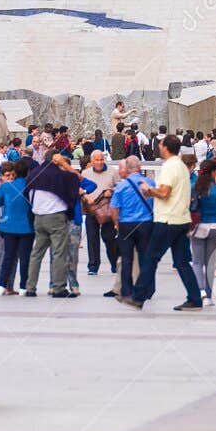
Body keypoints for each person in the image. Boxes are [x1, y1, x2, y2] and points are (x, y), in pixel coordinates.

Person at [129, 134, 204, 312]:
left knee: (150, 257)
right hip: (181, 219)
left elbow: (164, 193)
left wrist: (148, 190)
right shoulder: (181, 166)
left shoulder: (169, 166)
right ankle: (195, 299)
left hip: (167, 220)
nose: (159, 147)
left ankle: (138, 296)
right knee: (182, 262)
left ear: (165, 147)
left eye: (161, 144)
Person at [24, 152, 81, 298]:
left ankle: (30, 287)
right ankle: (58, 288)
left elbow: (27, 194)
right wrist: (64, 164)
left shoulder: (34, 173)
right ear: (57, 160)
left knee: (36, 253)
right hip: (56, 217)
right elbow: (76, 178)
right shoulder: (60, 174)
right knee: (58, 253)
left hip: (38, 217)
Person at [110, 156, 153, 302]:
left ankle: (126, 290)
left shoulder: (121, 186)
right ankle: (146, 289)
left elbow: (114, 209)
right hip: (145, 224)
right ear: (140, 167)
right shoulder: (150, 183)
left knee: (127, 258)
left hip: (126, 224)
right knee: (144, 258)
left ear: (127, 169)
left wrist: (117, 224)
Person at [188, 156, 216, 306]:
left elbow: (188, 206)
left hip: (198, 227)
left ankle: (201, 292)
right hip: (215, 227)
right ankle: (209, 295)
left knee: (197, 262)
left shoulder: (194, 187)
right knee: (210, 263)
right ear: (212, 172)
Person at [0, 160, 33, 295]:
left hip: (8, 227)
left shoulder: (5, 187)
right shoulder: (30, 187)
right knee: (25, 257)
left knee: (8, 256)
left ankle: (2, 284)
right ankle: (23, 287)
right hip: (26, 227)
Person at [79, 148, 120, 279]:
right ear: (91, 161)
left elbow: (119, 187)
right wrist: (86, 198)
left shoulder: (113, 172)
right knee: (92, 238)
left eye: (102, 159)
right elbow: (80, 190)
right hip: (92, 209)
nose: (100, 162)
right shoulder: (85, 173)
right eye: (97, 159)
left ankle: (114, 264)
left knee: (109, 238)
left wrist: (111, 191)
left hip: (107, 210)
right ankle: (93, 266)